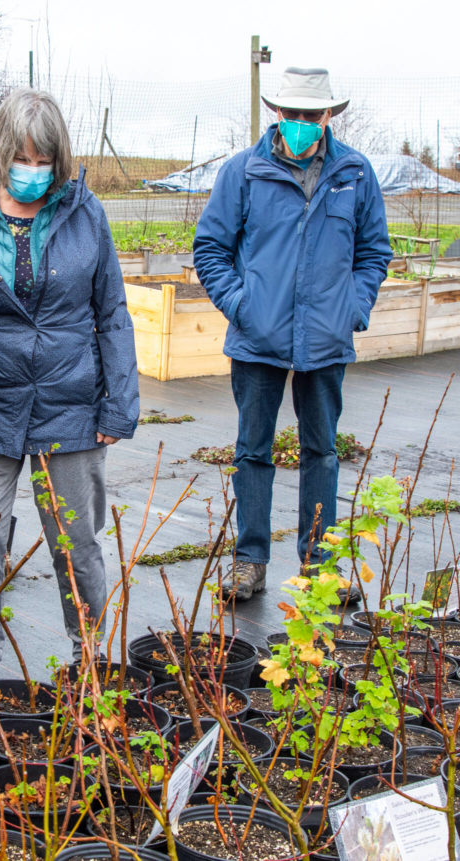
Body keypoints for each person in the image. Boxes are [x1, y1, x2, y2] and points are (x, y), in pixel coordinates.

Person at [0, 88, 139, 679]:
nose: (33, 173)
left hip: (71, 406)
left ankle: (87, 664)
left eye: (44, 162)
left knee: (77, 547)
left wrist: (117, 406)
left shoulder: (84, 213)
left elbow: (112, 312)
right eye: (22, 160)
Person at [193, 67, 392, 603]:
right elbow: (209, 249)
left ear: (330, 116)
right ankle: (249, 561)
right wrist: (242, 306)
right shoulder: (245, 172)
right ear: (277, 113)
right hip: (258, 337)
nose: (303, 124)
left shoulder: (355, 172)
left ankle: (318, 565)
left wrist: (354, 307)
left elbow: (374, 252)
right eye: (294, 114)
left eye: (313, 115)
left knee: (321, 451)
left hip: (325, 339)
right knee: (253, 450)